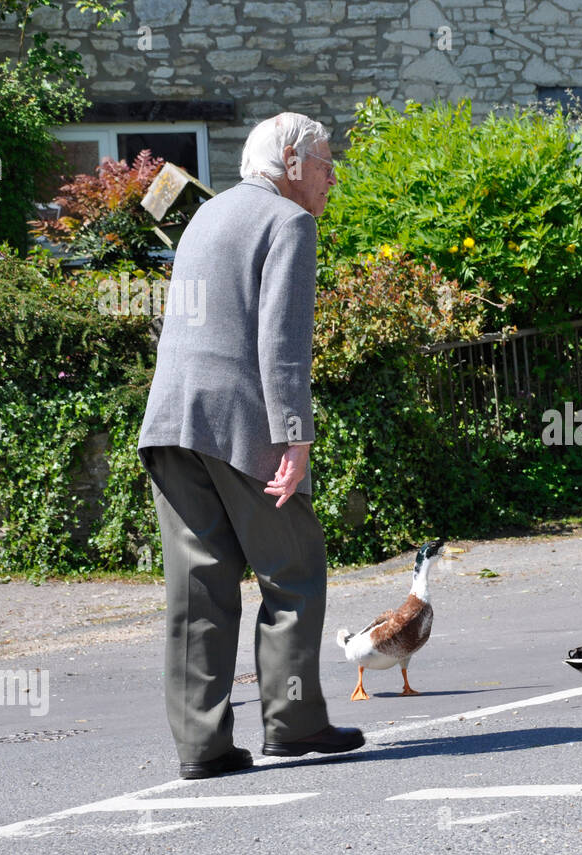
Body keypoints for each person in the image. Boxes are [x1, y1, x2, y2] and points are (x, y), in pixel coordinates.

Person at [138, 112, 363, 780]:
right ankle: (292, 722)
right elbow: (281, 342)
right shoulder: (289, 223)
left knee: (198, 588)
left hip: (170, 422)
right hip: (239, 420)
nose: (331, 176)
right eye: (325, 162)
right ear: (292, 161)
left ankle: (202, 746)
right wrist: (295, 437)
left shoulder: (206, 215)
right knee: (292, 570)